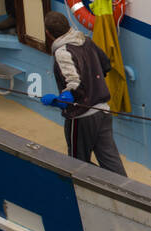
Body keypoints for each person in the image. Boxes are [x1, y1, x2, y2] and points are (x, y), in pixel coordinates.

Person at [40, 10, 127, 176]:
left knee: (76, 165)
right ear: (67, 26)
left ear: (48, 33)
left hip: (81, 118)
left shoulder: (62, 52)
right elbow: (106, 65)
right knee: (111, 162)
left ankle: (90, 191)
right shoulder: (85, 40)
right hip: (103, 111)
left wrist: (57, 101)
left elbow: (74, 86)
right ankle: (128, 191)